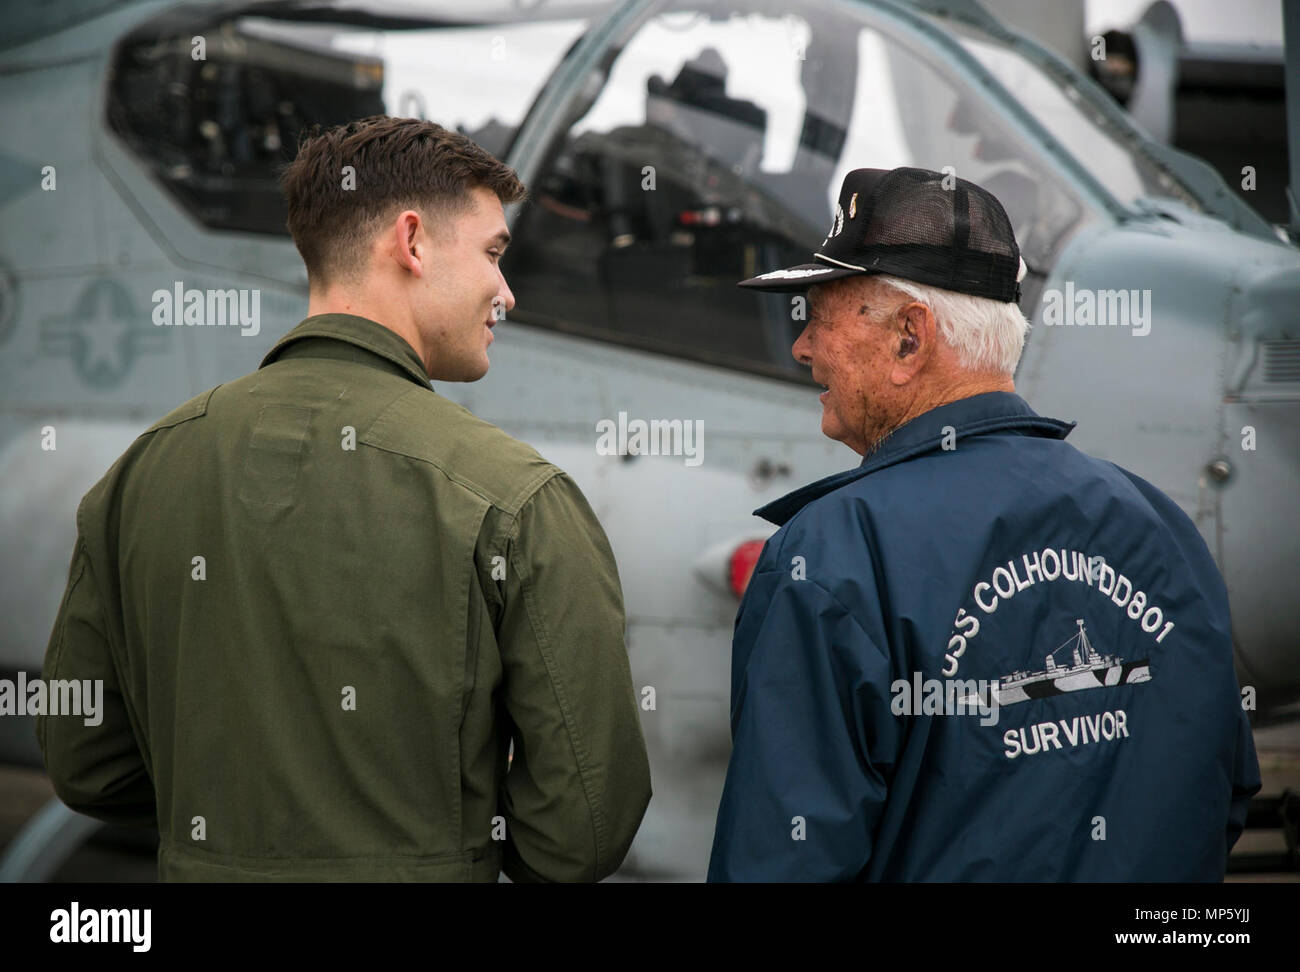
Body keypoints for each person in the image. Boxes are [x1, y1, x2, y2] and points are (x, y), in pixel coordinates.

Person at [37, 116, 651, 882]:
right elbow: (583, 830)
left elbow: (87, 763)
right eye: (494, 254)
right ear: (413, 241)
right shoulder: (515, 498)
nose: (508, 292)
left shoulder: (136, 476)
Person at [707, 166, 1259, 881]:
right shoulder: (1161, 528)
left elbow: (781, 859)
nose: (802, 347)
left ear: (911, 338)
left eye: (819, 314)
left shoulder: (832, 555)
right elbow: (1225, 796)